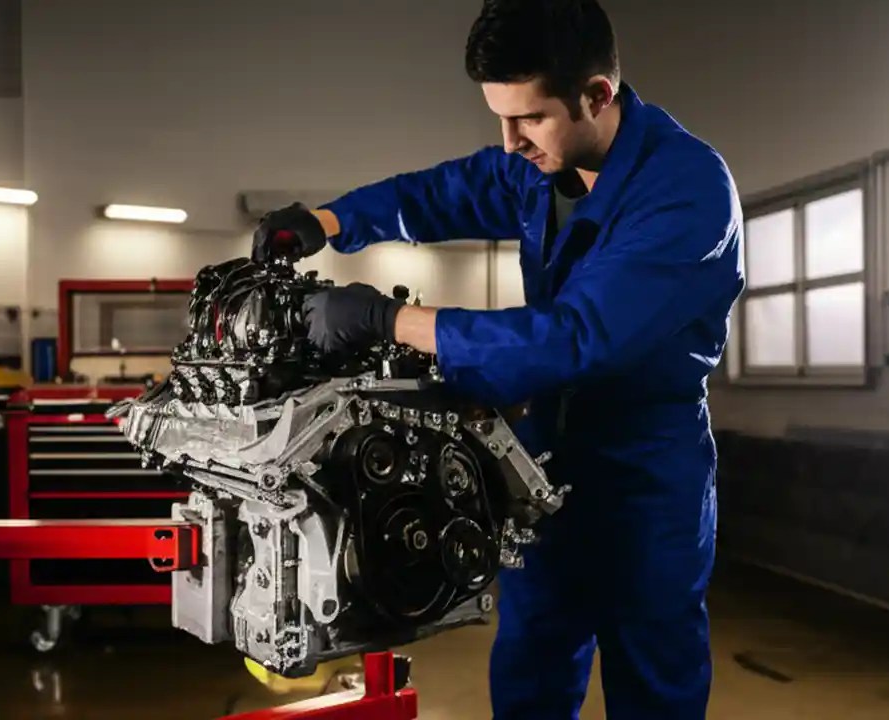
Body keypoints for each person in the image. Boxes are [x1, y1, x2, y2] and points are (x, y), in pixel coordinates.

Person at [251, 1, 745, 718]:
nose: (509, 141)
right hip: (541, 461)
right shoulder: (541, 165)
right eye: (499, 118)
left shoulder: (688, 188)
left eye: (529, 119)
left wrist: (385, 320)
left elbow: (573, 339)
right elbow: (438, 194)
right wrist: (326, 222)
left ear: (597, 95)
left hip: (645, 474)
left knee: (653, 678)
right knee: (533, 666)